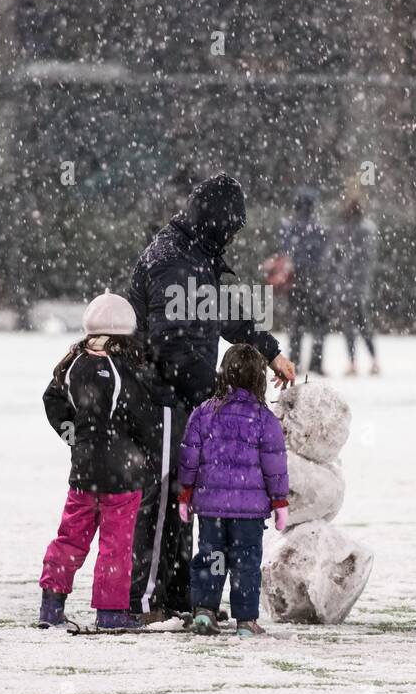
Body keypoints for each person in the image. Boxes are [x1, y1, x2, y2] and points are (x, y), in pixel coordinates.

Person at [127, 173, 296, 620]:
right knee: (163, 500)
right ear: (214, 221)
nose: (234, 235)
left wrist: (271, 351)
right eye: (231, 227)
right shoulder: (173, 261)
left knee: (185, 495)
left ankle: (180, 599)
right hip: (158, 398)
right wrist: (216, 397)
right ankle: (144, 600)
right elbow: (171, 346)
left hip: (181, 399)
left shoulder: (198, 255)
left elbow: (230, 318)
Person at [38, 293, 176, 631]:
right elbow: (144, 421)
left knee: (70, 537)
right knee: (116, 545)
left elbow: (52, 399)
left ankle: (51, 605)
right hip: (122, 476)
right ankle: (111, 613)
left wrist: (72, 434)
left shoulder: (72, 363)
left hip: (84, 473)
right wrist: (148, 457)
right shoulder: (128, 369)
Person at [177, 345, 289, 638]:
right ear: (258, 380)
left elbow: (189, 456)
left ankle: (204, 610)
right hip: (249, 513)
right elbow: (274, 465)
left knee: (211, 557)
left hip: (211, 507)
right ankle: (245, 621)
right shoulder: (265, 420)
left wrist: (186, 492)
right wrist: (280, 502)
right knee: (246, 564)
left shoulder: (204, 413)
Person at [278, 187, 330, 375]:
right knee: (318, 323)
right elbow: (325, 255)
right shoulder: (319, 228)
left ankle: (295, 362)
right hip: (315, 279)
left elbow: (284, 253)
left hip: (295, 279)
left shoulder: (289, 226)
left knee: (296, 323)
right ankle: (316, 362)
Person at [332, 192, 380, 376]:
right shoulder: (358, 229)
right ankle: (364, 361)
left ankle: (360, 362)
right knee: (358, 325)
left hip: (351, 285)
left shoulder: (356, 230)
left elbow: (355, 257)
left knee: (355, 325)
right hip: (351, 285)